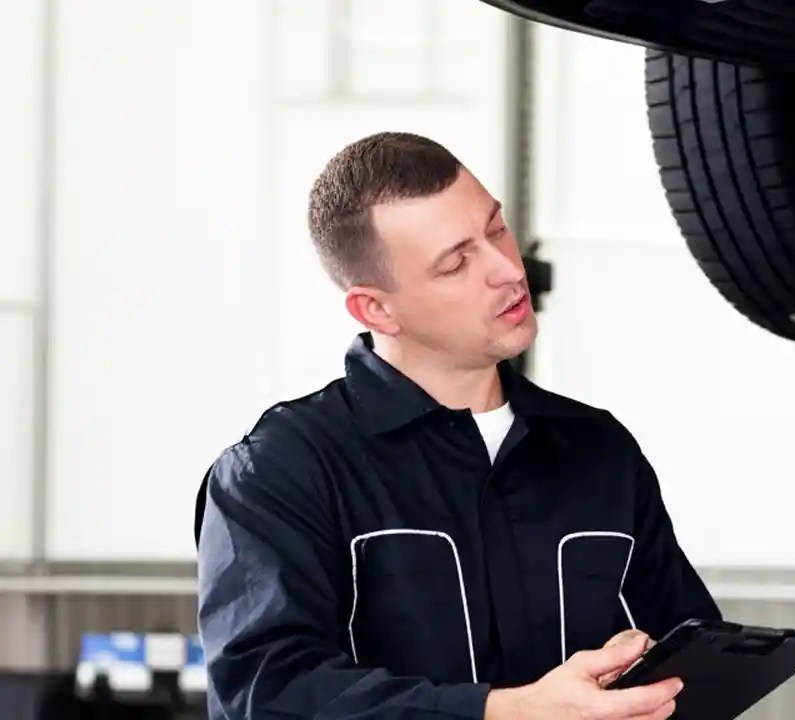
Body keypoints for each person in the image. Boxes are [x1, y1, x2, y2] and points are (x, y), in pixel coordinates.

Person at [193, 132, 720, 719]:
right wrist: (503, 713)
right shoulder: (281, 471)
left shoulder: (598, 450)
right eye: (455, 263)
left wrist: (651, 670)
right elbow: (267, 696)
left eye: (496, 229)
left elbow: (690, 648)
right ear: (376, 309)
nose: (504, 269)